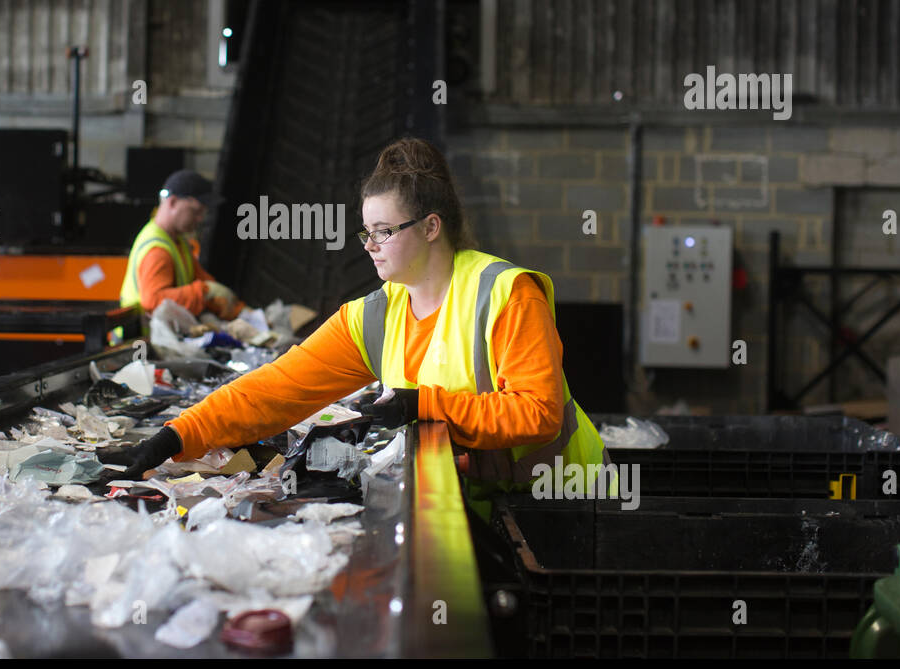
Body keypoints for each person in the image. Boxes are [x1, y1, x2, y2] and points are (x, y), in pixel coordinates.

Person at [104, 139, 611, 508]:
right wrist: (175, 436)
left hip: (567, 505)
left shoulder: (504, 293)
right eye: (365, 232)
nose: (369, 246)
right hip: (485, 500)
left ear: (432, 227)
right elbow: (274, 390)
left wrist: (426, 404)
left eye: (384, 231)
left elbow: (538, 413)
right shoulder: (373, 316)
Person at [119, 169, 246, 323]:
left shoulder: (178, 243)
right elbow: (153, 301)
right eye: (195, 211)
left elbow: (205, 283)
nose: (200, 219)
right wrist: (204, 292)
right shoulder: (158, 250)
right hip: (140, 342)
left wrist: (243, 312)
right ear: (172, 202)